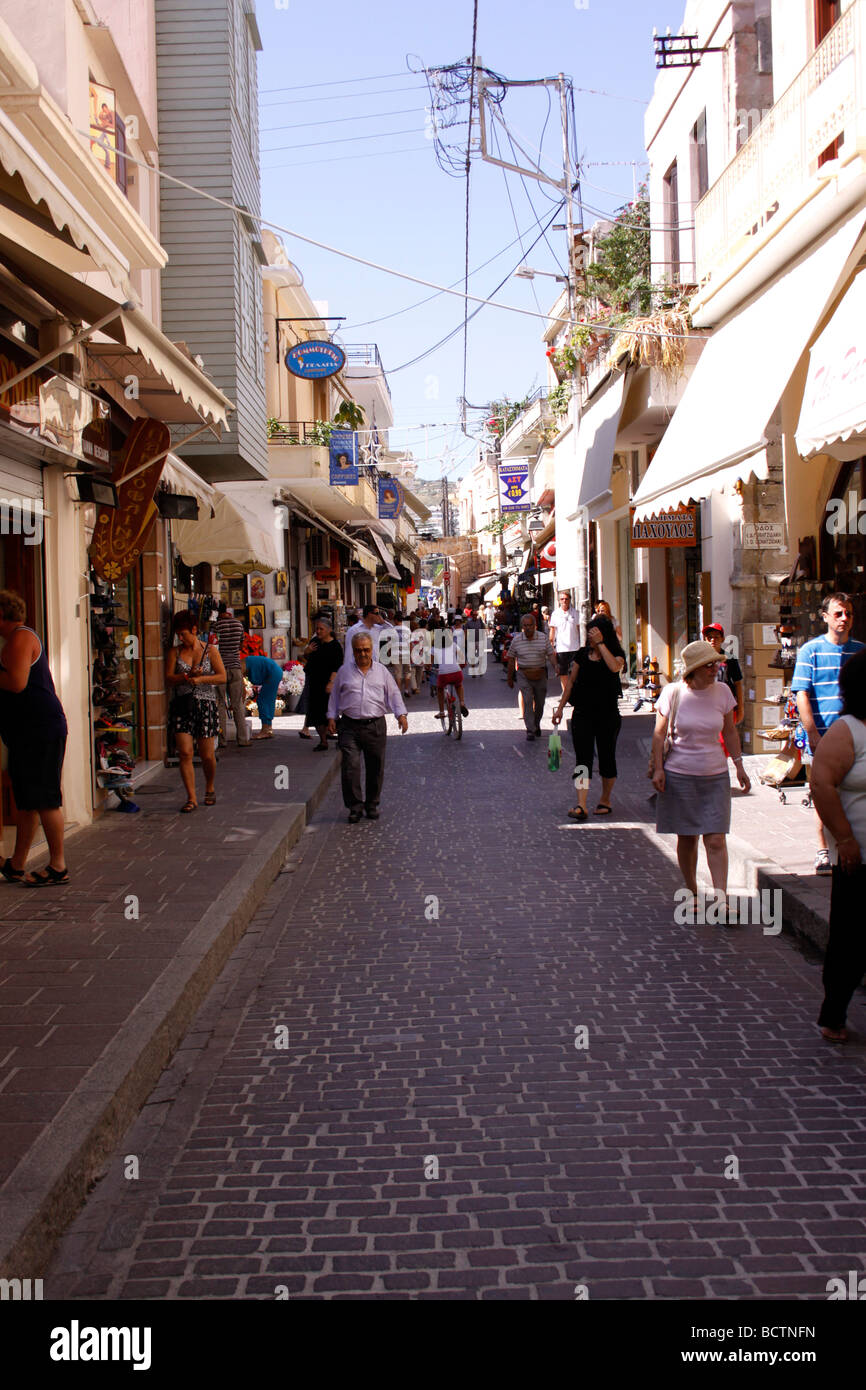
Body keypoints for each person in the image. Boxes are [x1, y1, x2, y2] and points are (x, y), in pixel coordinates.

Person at [651, 639, 751, 910]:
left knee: (716, 838)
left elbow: (729, 731)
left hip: (715, 775)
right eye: (708, 665)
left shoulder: (723, 692)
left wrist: (739, 765)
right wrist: (658, 768)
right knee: (687, 837)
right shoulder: (673, 693)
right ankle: (692, 891)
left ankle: (721, 899)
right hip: (680, 774)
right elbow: (659, 734)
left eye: (716, 663)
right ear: (692, 670)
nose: (714, 669)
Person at [810, 650, 866, 1043]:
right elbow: (821, 784)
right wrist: (843, 839)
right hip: (857, 856)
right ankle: (834, 1014)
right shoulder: (847, 731)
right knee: (850, 938)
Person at [0, 590, 70, 885]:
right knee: (27, 800)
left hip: (40, 729)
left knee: (45, 798)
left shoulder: (21, 636)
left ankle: (58, 865)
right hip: (27, 730)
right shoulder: (16, 638)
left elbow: (16, 683)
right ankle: (16, 864)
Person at [792, 593, 865, 875]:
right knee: (824, 789)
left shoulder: (860, 651)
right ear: (825, 617)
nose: (844, 619)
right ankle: (824, 849)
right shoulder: (810, 651)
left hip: (857, 735)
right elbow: (801, 693)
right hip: (823, 735)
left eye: (848, 613)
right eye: (838, 613)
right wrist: (813, 735)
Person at [327, 631, 408, 822]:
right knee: (350, 766)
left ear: (372, 650)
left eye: (366, 650)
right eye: (358, 650)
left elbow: (394, 694)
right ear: (353, 652)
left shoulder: (382, 672)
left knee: (375, 767)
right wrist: (331, 716)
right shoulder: (344, 671)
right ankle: (355, 807)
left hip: (375, 726)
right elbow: (335, 696)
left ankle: (372, 804)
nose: (362, 654)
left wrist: (401, 715)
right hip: (349, 726)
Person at [551, 614, 626, 820]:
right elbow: (571, 683)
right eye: (590, 632)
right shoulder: (582, 655)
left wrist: (601, 644)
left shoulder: (617, 654)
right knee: (583, 759)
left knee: (606, 758)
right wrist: (560, 709)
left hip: (608, 715)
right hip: (582, 714)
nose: (591, 636)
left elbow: (614, 667)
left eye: (596, 632)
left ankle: (605, 800)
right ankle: (581, 804)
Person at [166, 610, 226, 812]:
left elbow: (222, 677)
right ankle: (191, 797)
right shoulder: (174, 652)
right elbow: (168, 679)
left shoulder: (210, 650)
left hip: (206, 705)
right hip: (183, 704)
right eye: (178, 635)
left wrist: (201, 679)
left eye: (183, 634)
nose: (181, 638)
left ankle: (209, 786)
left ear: (194, 629)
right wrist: (185, 676)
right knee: (185, 752)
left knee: (207, 755)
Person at [506, 613, 558, 741]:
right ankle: (530, 729)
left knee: (540, 703)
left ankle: (536, 723)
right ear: (522, 626)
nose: (528, 628)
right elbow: (511, 658)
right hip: (524, 674)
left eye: (530, 625)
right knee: (528, 701)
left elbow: (550, 654)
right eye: (525, 625)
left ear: (535, 626)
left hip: (540, 673)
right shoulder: (517, 640)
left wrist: (556, 665)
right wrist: (510, 677)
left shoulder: (543, 638)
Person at [300, 618, 343, 750]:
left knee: (330, 712)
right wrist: (307, 651)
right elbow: (304, 658)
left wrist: (331, 682)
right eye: (317, 629)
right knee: (316, 714)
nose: (318, 631)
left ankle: (342, 737)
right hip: (314, 682)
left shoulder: (335, 646)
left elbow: (337, 666)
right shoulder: (315, 643)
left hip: (328, 683)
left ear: (329, 630)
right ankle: (323, 741)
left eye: (321, 629)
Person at [215, 603, 250, 748]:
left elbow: (213, 646)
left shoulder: (215, 626)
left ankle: (222, 740)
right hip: (235, 667)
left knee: (221, 704)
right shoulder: (238, 624)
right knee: (237, 705)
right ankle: (242, 739)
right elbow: (241, 645)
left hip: (220, 668)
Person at [702, 623, 744, 732]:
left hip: (727, 708)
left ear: (722, 639)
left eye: (716, 637)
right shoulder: (700, 660)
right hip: (706, 707)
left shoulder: (730, 658)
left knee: (726, 740)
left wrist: (740, 709)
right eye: (709, 637)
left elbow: (738, 683)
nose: (712, 640)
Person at [434, 615, 470, 722]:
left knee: (440, 689)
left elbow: (428, 662)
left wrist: (428, 667)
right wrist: (462, 664)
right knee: (458, 685)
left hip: (444, 674)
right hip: (456, 672)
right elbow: (462, 657)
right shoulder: (453, 645)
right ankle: (462, 702)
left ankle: (441, 712)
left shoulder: (435, 647)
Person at [243, 652, 284, 739]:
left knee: (263, 700)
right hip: (274, 672)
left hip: (273, 673)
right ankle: (268, 728)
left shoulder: (241, 665)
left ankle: (265, 731)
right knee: (268, 700)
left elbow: (244, 682)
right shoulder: (244, 662)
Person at [548, 591, 582, 695]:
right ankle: (566, 694)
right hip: (561, 649)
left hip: (575, 648)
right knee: (563, 674)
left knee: (575, 673)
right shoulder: (555, 614)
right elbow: (552, 631)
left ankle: (574, 693)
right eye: (562, 599)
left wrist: (582, 645)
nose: (564, 601)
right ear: (559, 601)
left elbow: (579, 630)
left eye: (566, 599)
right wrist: (551, 647)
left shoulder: (575, 613)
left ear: (570, 600)